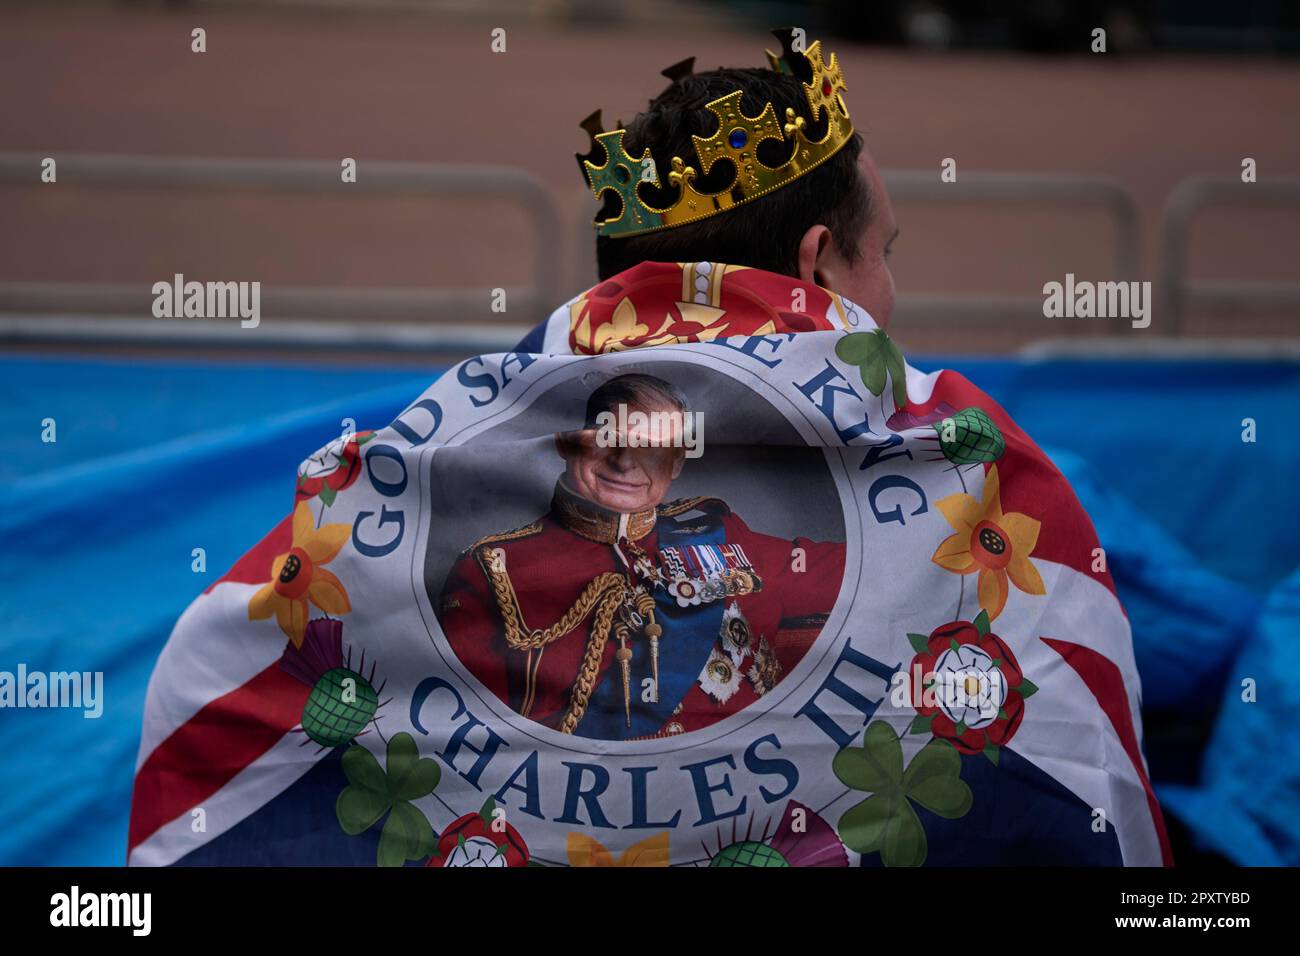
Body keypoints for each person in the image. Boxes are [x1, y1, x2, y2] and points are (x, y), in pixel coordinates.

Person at [129, 29, 1170, 867]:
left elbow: (212, 692)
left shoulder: (406, 475)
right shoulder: (973, 480)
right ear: (819, 263)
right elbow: (1084, 784)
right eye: (882, 253)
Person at [438, 373, 845, 740]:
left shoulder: (720, 537)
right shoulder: (494, 570)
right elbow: (469, 733)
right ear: (566, 443)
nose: (625, 462)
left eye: (651, 448)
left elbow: (863, 568)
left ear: (677, 463)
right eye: (606, 439)